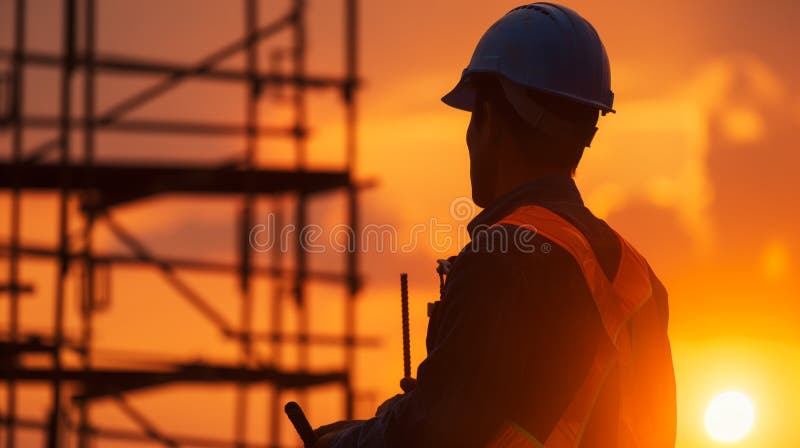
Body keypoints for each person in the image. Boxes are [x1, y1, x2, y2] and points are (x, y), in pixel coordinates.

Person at [315, 3, 676, 447]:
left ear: (486, 118)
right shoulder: (639, 278)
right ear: (586, 131)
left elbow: (434, 433)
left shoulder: (504, 255)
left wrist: (343, 443)